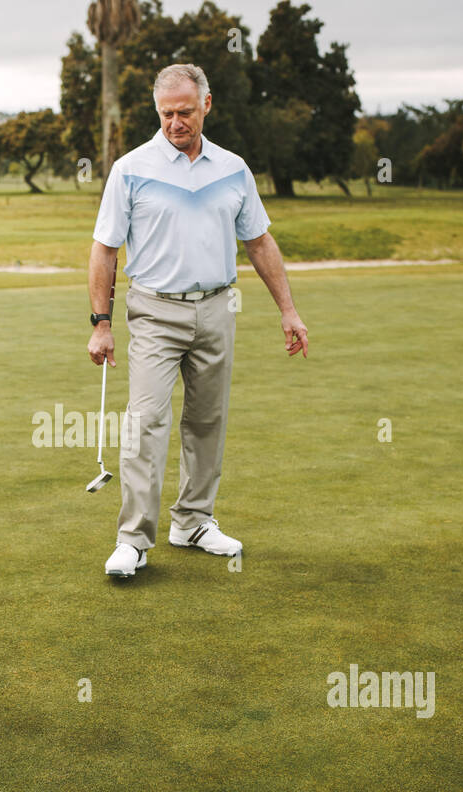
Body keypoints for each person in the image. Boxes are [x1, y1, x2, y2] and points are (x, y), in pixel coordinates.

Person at [86, 64, 309, 578]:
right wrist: (101, 321)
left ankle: (192, 520)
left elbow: (258, 242)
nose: (175, 122)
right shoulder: (131, 168)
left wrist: (288, 310)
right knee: (146, 421)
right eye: (166, 113)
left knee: (208, 420)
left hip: (217, 307)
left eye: (185, 111)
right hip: (154, 309)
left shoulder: (233, 169)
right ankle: (133, 540)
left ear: (207, 105)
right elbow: (105, 249)